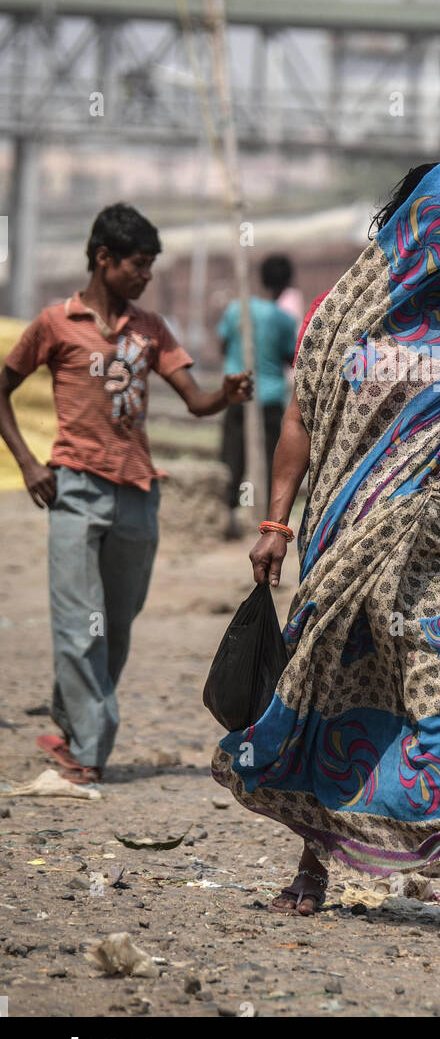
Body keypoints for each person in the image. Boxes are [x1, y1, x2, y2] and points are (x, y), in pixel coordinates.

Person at [212, 159, 440, 929]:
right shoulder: (341, 313)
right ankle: (313, 864)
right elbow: (300, 423)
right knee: (335, 693)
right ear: (409, 225)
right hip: (347, 537)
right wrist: (276, 524)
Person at [0, 204, 252, 785]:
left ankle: (71, 720)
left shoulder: (150, 329)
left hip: (138, 494)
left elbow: (194, 400)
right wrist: (27, 463)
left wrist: (226, 394)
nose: (146, 276)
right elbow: (4, 390)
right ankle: (90, 749)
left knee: (115, 620)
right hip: (76, 488)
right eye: (138, 265)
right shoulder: (55, 324)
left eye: (151, 267)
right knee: (78, 621)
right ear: (103, 259)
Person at [218, 254, 297, 536]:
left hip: (237, 393)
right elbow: (292, 358)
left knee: (231, 456)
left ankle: (228, 516)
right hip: (269, 398)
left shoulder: (236, 310)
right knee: (270, 459)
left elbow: (223, 345)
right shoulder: (284, 320)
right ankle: (268, 521)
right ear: (287, 283)